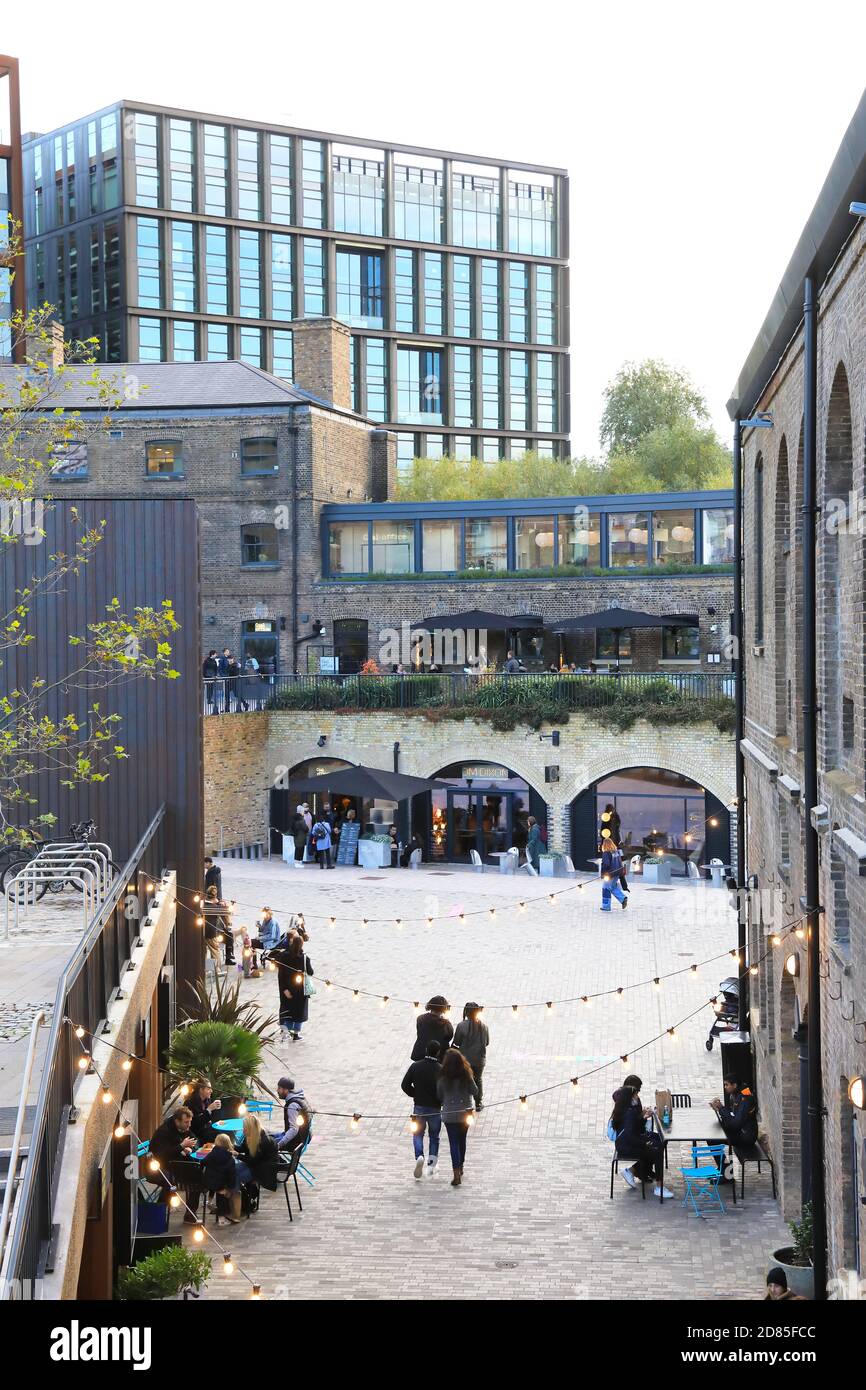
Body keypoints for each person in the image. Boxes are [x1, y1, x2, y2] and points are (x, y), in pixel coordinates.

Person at [609, 1074, 672, 1199]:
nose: (638, 1096)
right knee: (656, 1149)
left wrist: (642, 1117)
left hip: (628, 1141)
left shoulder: (627, 1109)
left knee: (658, 1142)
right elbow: (630, 1135)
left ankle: (637, 1171)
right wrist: (645, 1143)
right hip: (627, 1146)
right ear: (630, 1096)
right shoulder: (629, 1112)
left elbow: (634, 1128)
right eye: (636, 1094)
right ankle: (658, 1186)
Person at [401, 1039, 443, 1179]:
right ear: (437, 1053)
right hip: (435, 1108)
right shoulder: (440, 1069)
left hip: (419, 1106)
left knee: (418, 1134)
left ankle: (419, 1156)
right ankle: (431, 1165)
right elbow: (444, 1090)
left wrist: (415, 1094)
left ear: (426, 1050)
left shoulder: (415, 1066)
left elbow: (405, 1085)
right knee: (434, 1137)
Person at [437, 1049, 478, 1187]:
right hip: (465, 1113)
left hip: (449, 1115)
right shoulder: (466, 1075)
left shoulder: (443, 1078)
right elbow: (475, 1091)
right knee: (462, 1140)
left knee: (453, 1143)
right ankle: (461, 1167)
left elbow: (440, 1095)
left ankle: (455, 1174)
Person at [710, 1076, 758, 1178]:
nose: (725, 1087)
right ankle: (724, 1170)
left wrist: (721, 1109)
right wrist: (720, 1109)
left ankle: (727, 1175)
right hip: (740, 1131)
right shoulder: (735, 1095)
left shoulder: (745, 1099)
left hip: (746, 1137)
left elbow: (736, 1124)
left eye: (727, 1084)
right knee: (713, 1134)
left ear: (734, 1085)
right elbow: (732, 1115)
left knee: (713, 1139)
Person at [271, 930, 314, 1041]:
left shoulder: (284, 957)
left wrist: (285, 989)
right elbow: (311, 972)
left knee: (287, 1010)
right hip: (300, 990)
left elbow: (281, 974)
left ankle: (286, 1032)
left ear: (291, 943)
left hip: (287, 988)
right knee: (299, 1011)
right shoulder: (305, 958)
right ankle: (295, 1034)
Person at [453, 1003, 490, 1111]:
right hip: (480, 1059)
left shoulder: (461, 1026)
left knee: (464, 1080)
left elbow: (457, 1042)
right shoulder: (484, 1026)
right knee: (478, 1079)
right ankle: (478, 1103)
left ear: (466, 1012)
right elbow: (487, 1042)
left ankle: (465, 1103)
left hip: (465, 1060)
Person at [201, 1132, 242, 1223]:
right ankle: (222, 1217)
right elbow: (232, 1175)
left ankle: (210, 1202)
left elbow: (203, 1162)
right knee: (223, 1192)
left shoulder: (212, 1154)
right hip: (220, 1184)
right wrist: (231, 1188)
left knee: (216, 1184)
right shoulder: (230, 1159)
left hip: (208, 1182)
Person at [236, 1112, 280, 1191]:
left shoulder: (264, 1141)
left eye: (244, 1128)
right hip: (255, 1165)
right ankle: (237, 1198)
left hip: (263, 1170)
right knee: (231, 1170)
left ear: (250, 1129)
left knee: (236, 1177)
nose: (243, 1130)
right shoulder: (251, 1136)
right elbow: (243, 1148)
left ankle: (239, 1199)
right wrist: (229, 1145)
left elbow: (253, 1161)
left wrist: (237, 1155)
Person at [148, 1106, 197, 1177]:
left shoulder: (183, 1127)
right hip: (159, 1166)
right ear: (177, 1121)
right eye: (186, 1122)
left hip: (174, 1161)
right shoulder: (164, 1132)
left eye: (190, 1121)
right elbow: (164, 1155)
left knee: (196, 1164)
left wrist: (190, 1149)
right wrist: (181, 1146)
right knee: (191, 1170)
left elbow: (195, 1140)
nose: (189, 1125)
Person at [273, 1076, 313, 1153]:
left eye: (279, 1088)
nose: (277, 1090)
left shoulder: (292, 1105)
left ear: (286, 1090)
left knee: (265, 1144)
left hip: (295, 1142)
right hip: (301, 1139)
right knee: (268, 1134)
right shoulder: (301, 1099)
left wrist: (279, 1144)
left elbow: (294, 1129)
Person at [411, 996, 454, 1061]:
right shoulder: (446, 1024)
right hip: (439, 1056)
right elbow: (449, 1037)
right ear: (443, 1008)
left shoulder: (420, 1019)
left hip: (421, 1053)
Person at [204, 883, 236, 964]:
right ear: (214, 897)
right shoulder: (215, 907)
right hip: (211, 932)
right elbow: (228, 914)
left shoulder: (204, 903)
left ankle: (205, 967)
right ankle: (217, 969)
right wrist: (226, 905)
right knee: (215, 950)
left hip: (203, 931)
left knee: (206, 950)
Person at [186, 1078, 222, 1143]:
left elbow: (210, 1118)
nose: (211, 1091)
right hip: (196, 1133)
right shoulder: (190, 1102)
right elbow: (195, 1124)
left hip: (207, 1129)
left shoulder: (207, 1100)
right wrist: (209, 1109)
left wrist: (215, 1109)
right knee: (218, 1138)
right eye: (208, 1089)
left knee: (221, 1135)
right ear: (201, 1090)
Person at [600, 836, 628, 911]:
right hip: (617, 873)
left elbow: (606, 864)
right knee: (611, 887)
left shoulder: (606, 853)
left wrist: (603, 873)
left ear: (604, 845)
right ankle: (623, 898)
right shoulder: (616, 852)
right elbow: (620, 862)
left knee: (605, 888)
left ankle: (606, 906)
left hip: (610, 874)